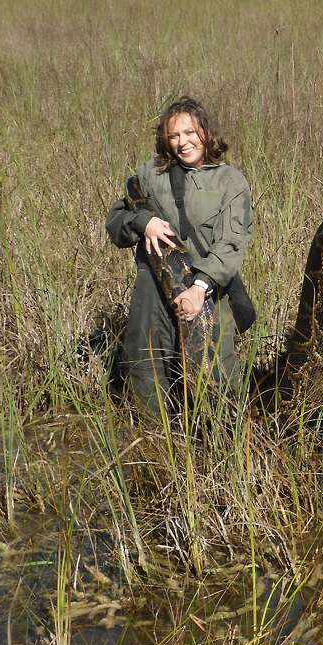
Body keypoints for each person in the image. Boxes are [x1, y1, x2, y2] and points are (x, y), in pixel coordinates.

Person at [105, 97, 253, 416]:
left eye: (190, 132)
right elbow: (116, 223)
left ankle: (221, 452)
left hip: (208, 288)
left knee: (218, 381)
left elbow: (231, 243)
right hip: (153, 285)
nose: (183, 142)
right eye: (174, 136)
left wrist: (200, 287)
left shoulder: (231, 182)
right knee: (146, 367)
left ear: (205, 131)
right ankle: (155, 447)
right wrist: (142, 222)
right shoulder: (150, 175)